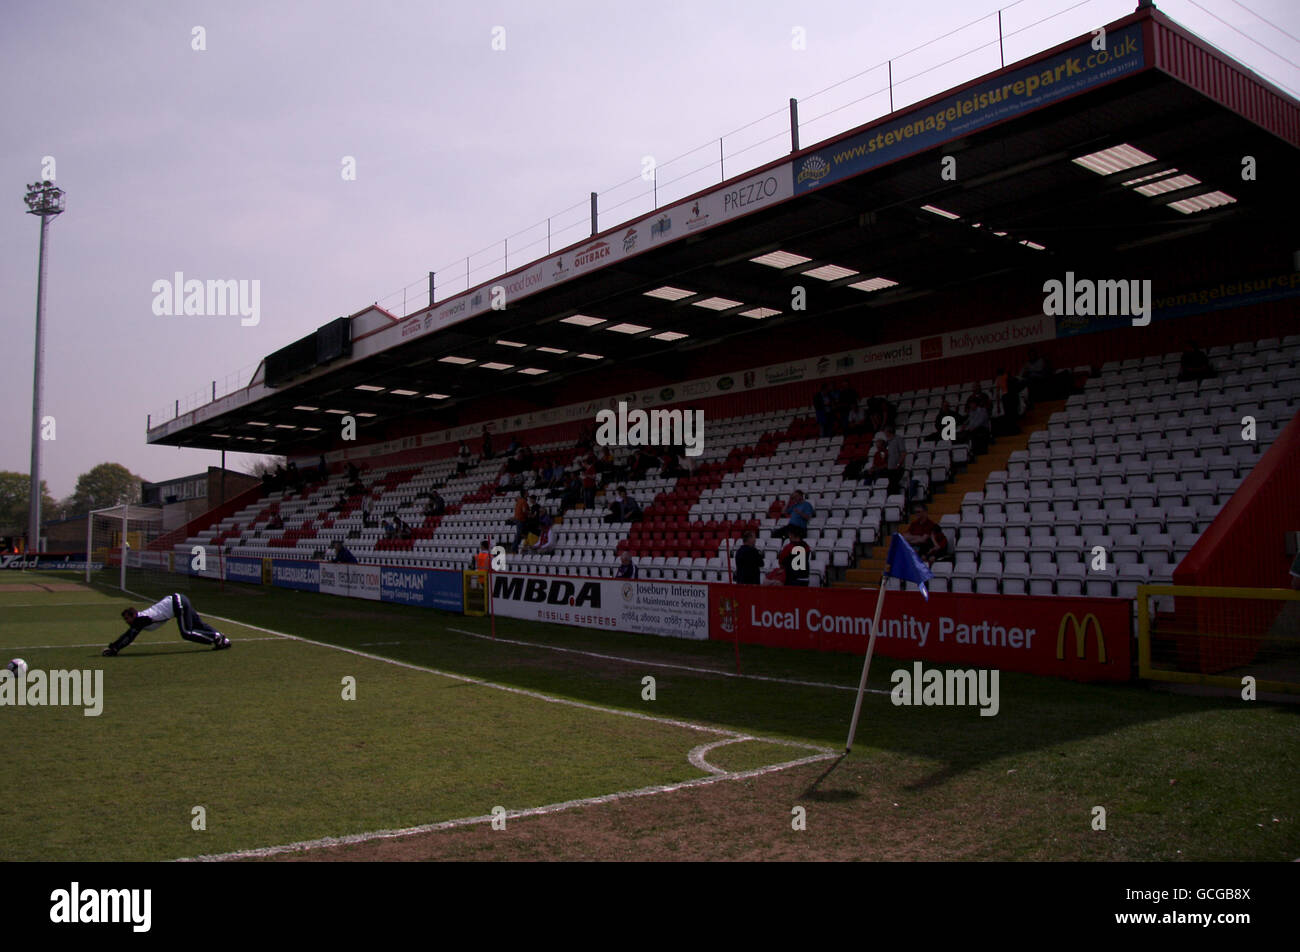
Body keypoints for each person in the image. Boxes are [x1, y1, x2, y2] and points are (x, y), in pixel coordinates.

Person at [103, 594, 231, 656]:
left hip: (177, 603)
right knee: (198, 626)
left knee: (186, 632)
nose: (127, 622)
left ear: (134, 615)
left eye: (127, 618)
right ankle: (222, 639)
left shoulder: (140, 620)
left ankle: (216, 638)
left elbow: (129, 636)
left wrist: (114, 648)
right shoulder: (141, 618)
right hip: (178, 600)